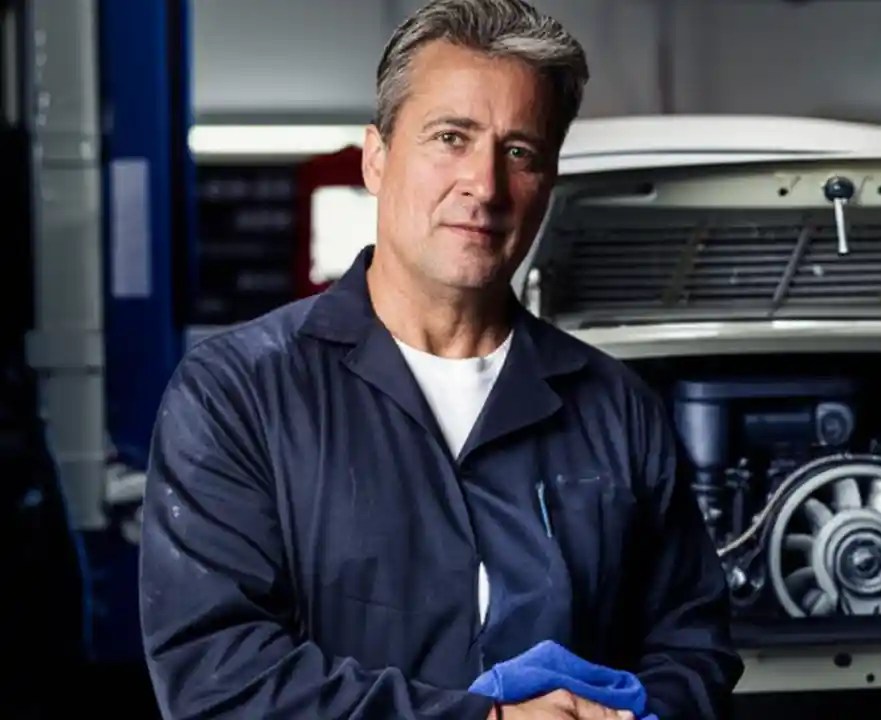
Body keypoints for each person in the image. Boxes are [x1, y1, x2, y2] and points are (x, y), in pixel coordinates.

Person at [137, 1, 742, 718]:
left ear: (547, 181)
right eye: (450, 137)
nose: (483, 186)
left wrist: (629, 714)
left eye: (519, 152)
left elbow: (693, 645)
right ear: (376, 157)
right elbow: (217, 676)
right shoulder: (238, 395)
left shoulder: (616, 406)